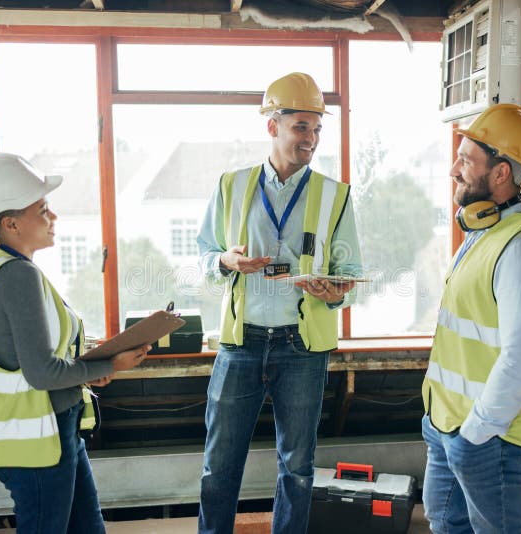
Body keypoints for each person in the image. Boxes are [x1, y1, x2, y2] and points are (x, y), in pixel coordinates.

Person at [196, 72, 363, 534]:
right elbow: (205, 255)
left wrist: (335, 296)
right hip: (241, 344)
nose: (310, 138)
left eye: (316, 129)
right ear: (273, 126)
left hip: (301, 348)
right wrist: (226, 261)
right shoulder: (232, 185)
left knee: (298, 468)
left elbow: (349, 275)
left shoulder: (335, 195)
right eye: (300, 127)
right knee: (219, 467)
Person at [0, 152, 150, 533]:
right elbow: (42, 372)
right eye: (43, 209)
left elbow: (40, 358)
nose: (54, 217)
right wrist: (112, 365)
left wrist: (89, 371)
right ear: (11, 223)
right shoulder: (18, 277)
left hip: (57, 432)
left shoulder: (12, 269)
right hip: (37, 444)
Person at [421, 104, 521, 533]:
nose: (453, 169)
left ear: (501, 173)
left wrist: (475, 434)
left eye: (466, 159)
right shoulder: (485, 233)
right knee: (446, 524)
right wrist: (440, 423)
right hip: (449, 426)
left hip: (492, 439)